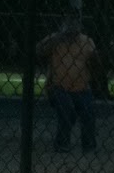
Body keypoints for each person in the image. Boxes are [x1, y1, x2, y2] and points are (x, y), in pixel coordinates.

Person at [37, 15, 100, 154]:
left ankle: (89, 145)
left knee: (88, 112)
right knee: (67, 108)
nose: (72, 30)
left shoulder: (86, 41)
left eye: (75, 26)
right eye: (69, 26)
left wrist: (95, 59)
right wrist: (57, 39)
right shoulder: (56, 39)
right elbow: (39, 50)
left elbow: (95, 61)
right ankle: (62, 143)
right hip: (59, 87)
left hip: (81, 87)